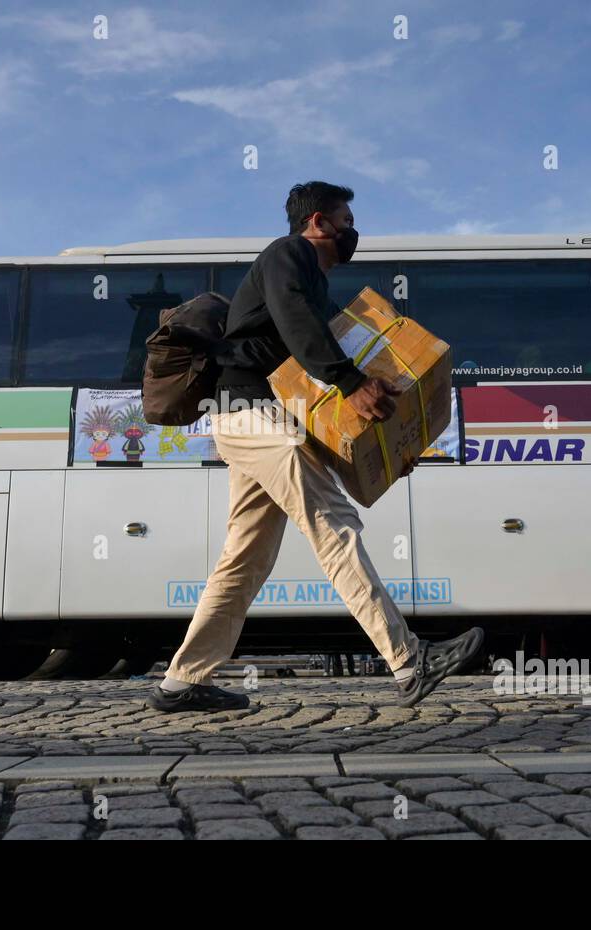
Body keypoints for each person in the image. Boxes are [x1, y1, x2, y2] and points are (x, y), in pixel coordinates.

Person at [146, 181, 484, 713]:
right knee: (333, 524)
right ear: (318, 223)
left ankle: (181, 682)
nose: (352, 231)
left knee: (244, 559)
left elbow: (319, 395)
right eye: (345, 220)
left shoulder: (313, 283)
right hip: (253, 415)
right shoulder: (288, 255)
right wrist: (351, 381)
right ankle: (407, 660)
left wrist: (393, 449)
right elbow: (297, 323)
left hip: (259, 418)